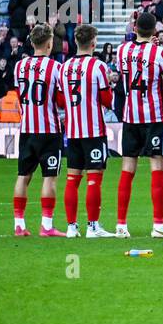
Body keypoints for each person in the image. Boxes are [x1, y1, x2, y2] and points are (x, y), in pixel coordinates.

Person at [114, 11, 163, 239]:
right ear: (154, 31)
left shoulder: (122, 50)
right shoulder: (159, 52)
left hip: (130, 117)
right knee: (157, 168)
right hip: (154, 117)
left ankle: (121, 225)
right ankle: (158, 223)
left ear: (136, 28)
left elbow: (124, 72)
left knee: (127, 169)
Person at [59, 24, 116, 237]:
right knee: (94, 178)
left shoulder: (64, 67)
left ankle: (71, 227)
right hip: (93, 131)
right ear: (93, 43)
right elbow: (107, 100)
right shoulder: (98, 66)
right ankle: (93, 226)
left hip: (72, 131)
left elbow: (62, 100)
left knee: (73, 179)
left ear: (75, 42)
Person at [11, 23, 64, 237]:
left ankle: (19, 225)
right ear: (50, 43)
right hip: (49, 130)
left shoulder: (19, 66)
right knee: (49, 177)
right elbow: (60, 101)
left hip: (27, 130)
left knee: (23, 176)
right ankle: (47, 225)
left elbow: (19, 93)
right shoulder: (56, 68)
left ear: (32, 43)